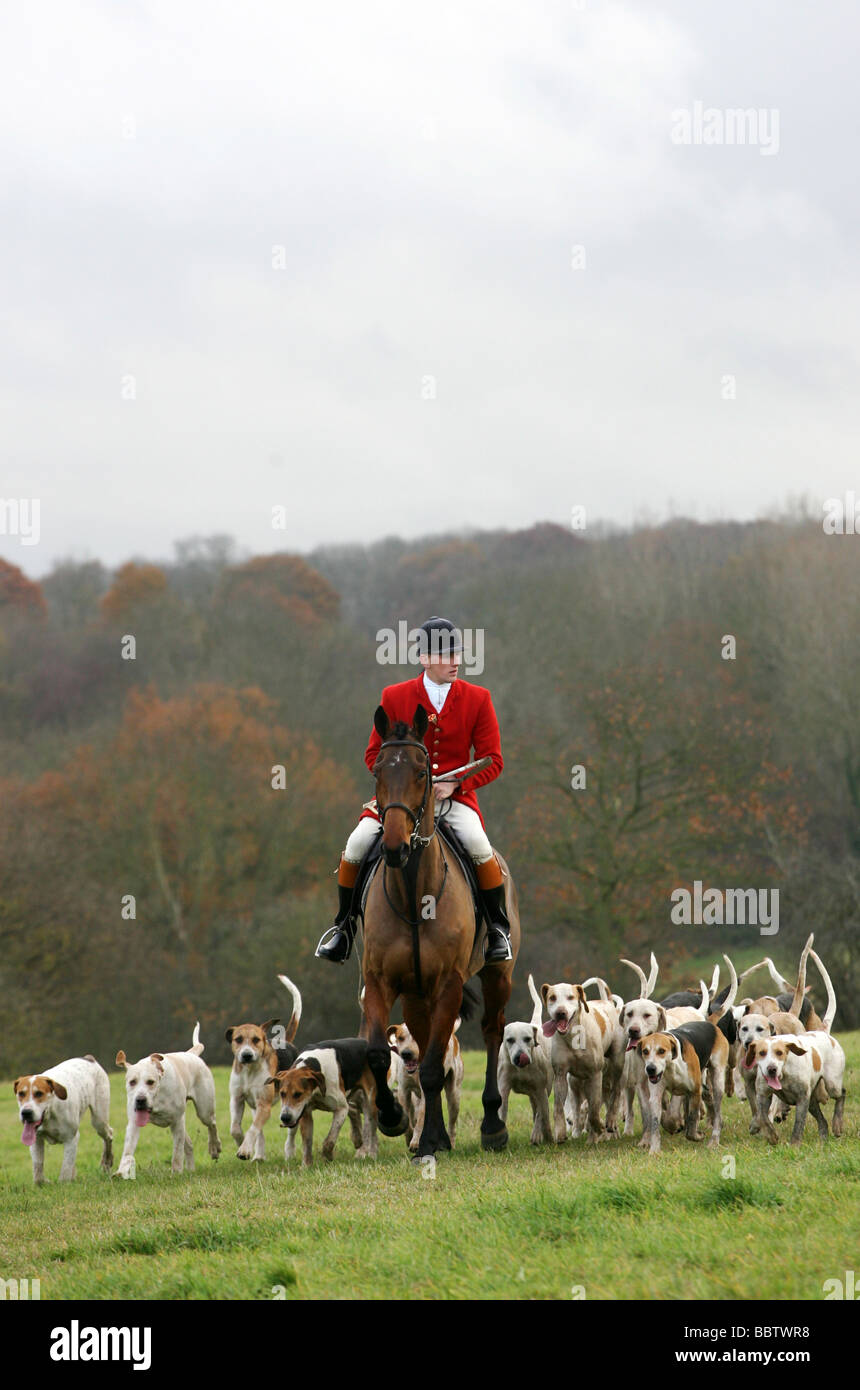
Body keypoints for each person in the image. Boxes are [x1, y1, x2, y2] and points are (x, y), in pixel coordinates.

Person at [315, 616, 513, 965]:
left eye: (458, 654)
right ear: (424, 658)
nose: (456, 661)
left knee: (480, 847)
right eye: (447, 654)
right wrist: (399, 785)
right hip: (400, 802)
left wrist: (456, 784)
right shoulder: (395, 696)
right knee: (356, 844)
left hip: (453, 799)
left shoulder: (478, 699)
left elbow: (493, 759)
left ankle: (497, 929)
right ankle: (343, 929)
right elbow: (373, 754)